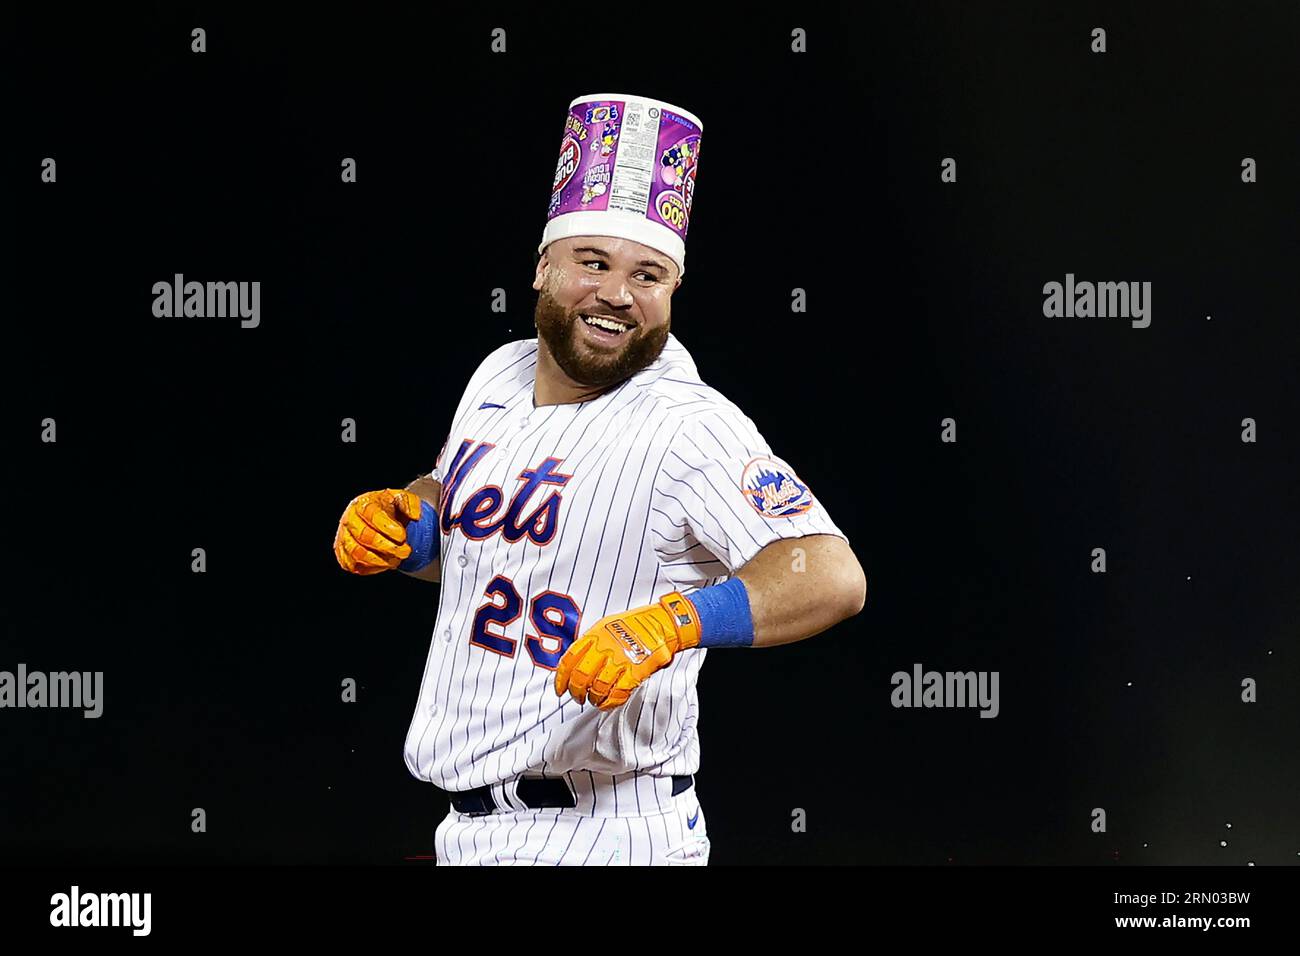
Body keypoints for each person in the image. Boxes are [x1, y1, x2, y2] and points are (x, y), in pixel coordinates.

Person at [332, 94, 866, 865]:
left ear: (671, 293)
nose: (618, 293)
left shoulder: (688, 423)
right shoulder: (498, 375)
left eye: (647, 274)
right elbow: (491, 544)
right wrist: (407, 525)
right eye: (594, 263)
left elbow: (830, 574)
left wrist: (672, 624)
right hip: (470, 832)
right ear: (543, 267)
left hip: (612, 831)